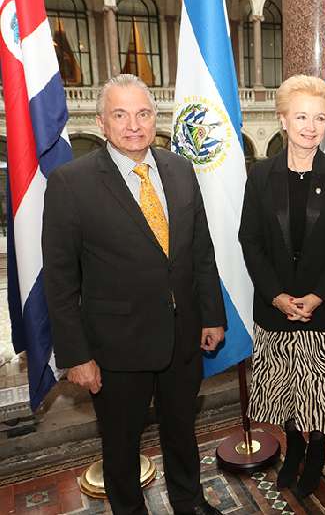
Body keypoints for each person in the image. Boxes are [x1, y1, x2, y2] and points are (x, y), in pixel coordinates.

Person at [43, 74, 226, 515]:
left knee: (182, 431)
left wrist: (211, 315)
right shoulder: (72, 182)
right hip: (116, 349)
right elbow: (61, 280)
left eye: (142, 113)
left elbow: (200, 250)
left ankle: (189, 500)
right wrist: (76, 355)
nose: (133, 125)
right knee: (121, 446)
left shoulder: (180, 169)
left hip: (182, 338)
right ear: (102, 122)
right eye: (120, 115)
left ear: (155, 118)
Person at [238, 75, 325, 499]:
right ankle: (292, 449)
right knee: (285, 389)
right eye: (301, 116)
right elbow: (249, 239)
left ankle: (319, 453)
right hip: (275, 308)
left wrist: (317, 296)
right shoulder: (260, 175)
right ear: (283, 120)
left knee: (320, 393)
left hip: (323, 309)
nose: (310, 126)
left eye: (320, 117)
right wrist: (276, 295)